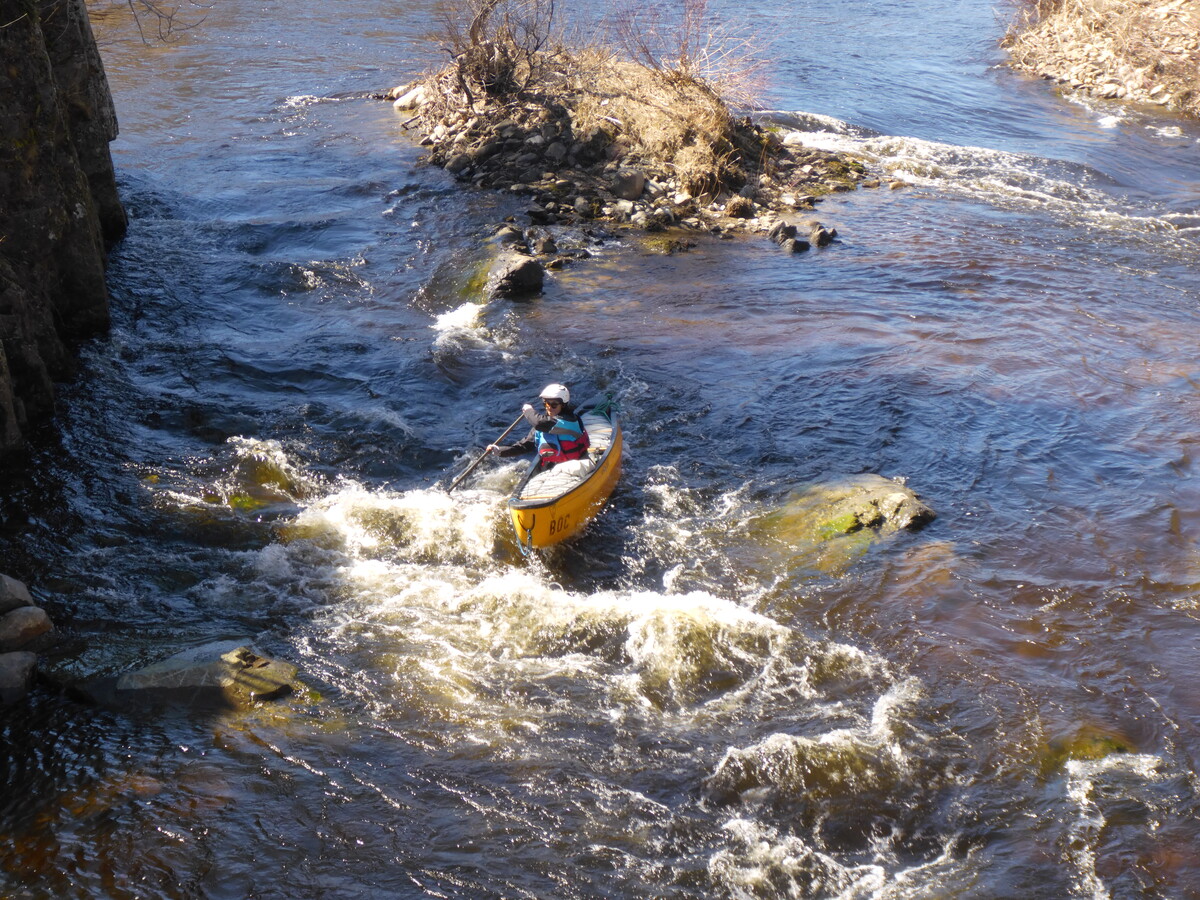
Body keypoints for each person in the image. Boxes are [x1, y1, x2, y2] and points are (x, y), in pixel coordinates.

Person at [487, 383, 589, 467]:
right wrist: (499, 451)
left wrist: (528, 411)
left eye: (554, 404)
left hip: (578, 465)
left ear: (563, 405)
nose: (549, 408)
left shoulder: (569, 421)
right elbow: (524, 446)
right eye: (546, 403)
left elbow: (539, 422)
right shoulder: (543, 426)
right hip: (554, 466)